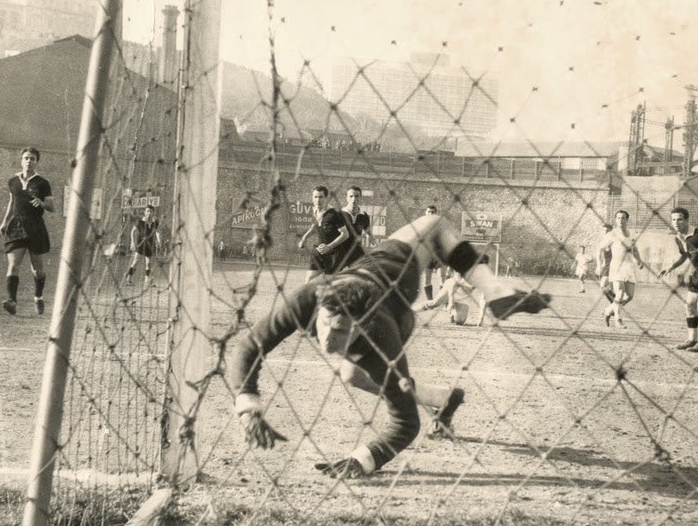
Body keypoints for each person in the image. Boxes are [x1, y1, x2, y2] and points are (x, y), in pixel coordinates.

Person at [229, 214, 551, 479]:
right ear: (321, 305)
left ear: (362, 325)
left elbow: (406, 424)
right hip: (375, 272)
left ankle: (494, 293)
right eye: (327, 324)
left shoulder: (381, 333)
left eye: (343, 333)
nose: (328, 340)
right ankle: (441, 397)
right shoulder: (310, 296)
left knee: (436, 223)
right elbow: (249, 344)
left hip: (400, 288)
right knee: (351, 374)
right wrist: (247, 405)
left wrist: (365, 458)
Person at [658, 207, 698, 353]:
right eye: (674, 219)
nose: (676, 222)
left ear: (687, 220)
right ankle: (692, 340)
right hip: (697, 273)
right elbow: (684, 256)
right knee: (689, 306)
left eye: (680, 219)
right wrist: (670, 267)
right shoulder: (678, 237)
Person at [0, 147, 54, 315]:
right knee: (13, 264)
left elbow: (52, 207)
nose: (29, 161)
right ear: (21, 160)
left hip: (35, 226)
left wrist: (42, 203)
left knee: (37, 269)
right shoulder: (13, 181)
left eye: (32, 158)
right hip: (16, 225)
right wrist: (4, 222)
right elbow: (11, 202)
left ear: (37, 162)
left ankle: (38, 296)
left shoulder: (42, 183)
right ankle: (12, 300)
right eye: (26, 158)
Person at [599, 210, 644, 329]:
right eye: (618, 218)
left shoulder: (632, 234)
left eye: (623, 218)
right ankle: (618, 320)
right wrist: (600, 264)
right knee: (619, 293)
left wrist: (639, 260)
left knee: (629, 296)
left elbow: (635, 249)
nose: (620, 220)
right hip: (616, 266)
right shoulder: (612, 234)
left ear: (627, 220)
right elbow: (600, 248)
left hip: (629, 267)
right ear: (615, 220)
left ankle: (608, 311)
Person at [298, 185, 349, 282]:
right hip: (319, 250)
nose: (318, 200)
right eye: (315, 197)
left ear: (326, 198)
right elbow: (315, 226)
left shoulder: (333, 214)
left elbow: (345, 234)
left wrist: (329, 247)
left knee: (328, 283)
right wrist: (304, 238)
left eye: (321, 197)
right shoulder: (314, 210)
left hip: (334, 254)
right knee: (309, 279)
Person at [416, 270, 487, 326]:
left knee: (460, 321)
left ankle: (453, 312)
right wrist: (450, 302)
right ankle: (410, 311)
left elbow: (484, 299)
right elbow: (453, 284)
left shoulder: (483, 277)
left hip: (462, 294)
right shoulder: (466, 268)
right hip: (451, 287)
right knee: (434, 304)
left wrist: (481, 319)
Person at [337, 185, 374, 270]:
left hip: (356, 251)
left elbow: (369, 235)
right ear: (346, 198)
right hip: (340, 250)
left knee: (359, 275)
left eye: (356, 196)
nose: (354, 199)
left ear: (360, 198)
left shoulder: (364, 216)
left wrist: (377, 245)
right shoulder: (339, 214)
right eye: (351, 196)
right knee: (332, 277)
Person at [125, 205, 160, 286]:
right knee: (135, 261)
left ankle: (147, 281)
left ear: (153, 212)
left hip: (150, 245)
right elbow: (132, 231)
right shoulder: (140, 222)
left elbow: (157, 232)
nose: (149, 213)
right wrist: (132, 242)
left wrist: (159, 240)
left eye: (151, 211)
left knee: (148, 263)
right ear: (144, 212)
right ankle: (129, 278)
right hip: (140, 244)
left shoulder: (155, 222)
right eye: (147, 211)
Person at [421, 205, 444, 300]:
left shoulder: (439, 224)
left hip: (438, 255)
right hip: (427, 255)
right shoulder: (421, 225)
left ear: (436, 213)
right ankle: (430, 301)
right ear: (425, 212)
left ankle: (442, 300)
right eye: (429, 211)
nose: (430, 213)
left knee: (442, 278)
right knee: (427, 279)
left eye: (433, 212)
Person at [595, 224, 616, 303]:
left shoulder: (614, 242)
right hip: (608, 266)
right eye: (604, 230)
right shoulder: (602, 243)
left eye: (607, 231)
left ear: (611, 232)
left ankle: (615, 303)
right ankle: (615, 303)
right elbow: (599, 255)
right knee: (606, 288)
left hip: (614, 266)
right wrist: (599, 265)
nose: (605, 232)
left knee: (603, 286)